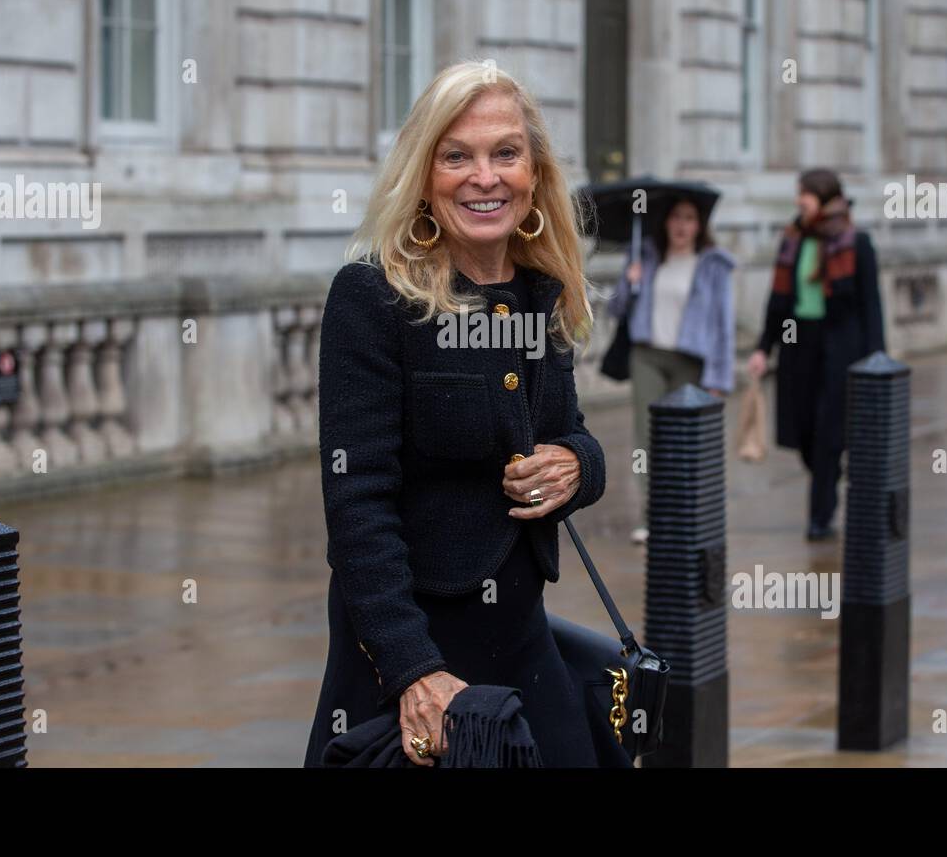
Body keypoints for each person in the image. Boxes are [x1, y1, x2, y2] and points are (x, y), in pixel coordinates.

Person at [303, 60, 625, 768]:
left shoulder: (541, 290)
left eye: (506, 153)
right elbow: (356, 502)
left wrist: (578, 466)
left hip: (522, 635)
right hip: (415, 652)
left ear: (534, 173)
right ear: (424, 174)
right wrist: (413, 671)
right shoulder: (372, 298)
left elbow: (571, 434)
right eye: (458, 156)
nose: (486, 176)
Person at [747, 168, 885, 540]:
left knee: (827, 432)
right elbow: (777, 302)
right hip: (798, 345)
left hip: (841, 347)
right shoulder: (794, 239)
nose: (798, 201)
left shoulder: (856, 242)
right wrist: (763, 348)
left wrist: (877, 358)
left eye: (804, 194)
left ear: (824, 198)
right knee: (803, 429)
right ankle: (827, 473)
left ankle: (819, 517)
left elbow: (871, 306)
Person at [607, 198, 736, 543]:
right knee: (646, 438)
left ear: (699, 225)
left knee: (685, 438)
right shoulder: (645, 256)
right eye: (676, 217)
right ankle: (651, 515)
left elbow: (724, 325)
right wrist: (630, 283)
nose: (681, 226)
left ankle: (685, 511)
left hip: (691, 362)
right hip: (647, 356)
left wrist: (719, 380)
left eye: (689, 219)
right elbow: (616, 309)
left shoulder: (714, 265)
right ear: (665, 222)